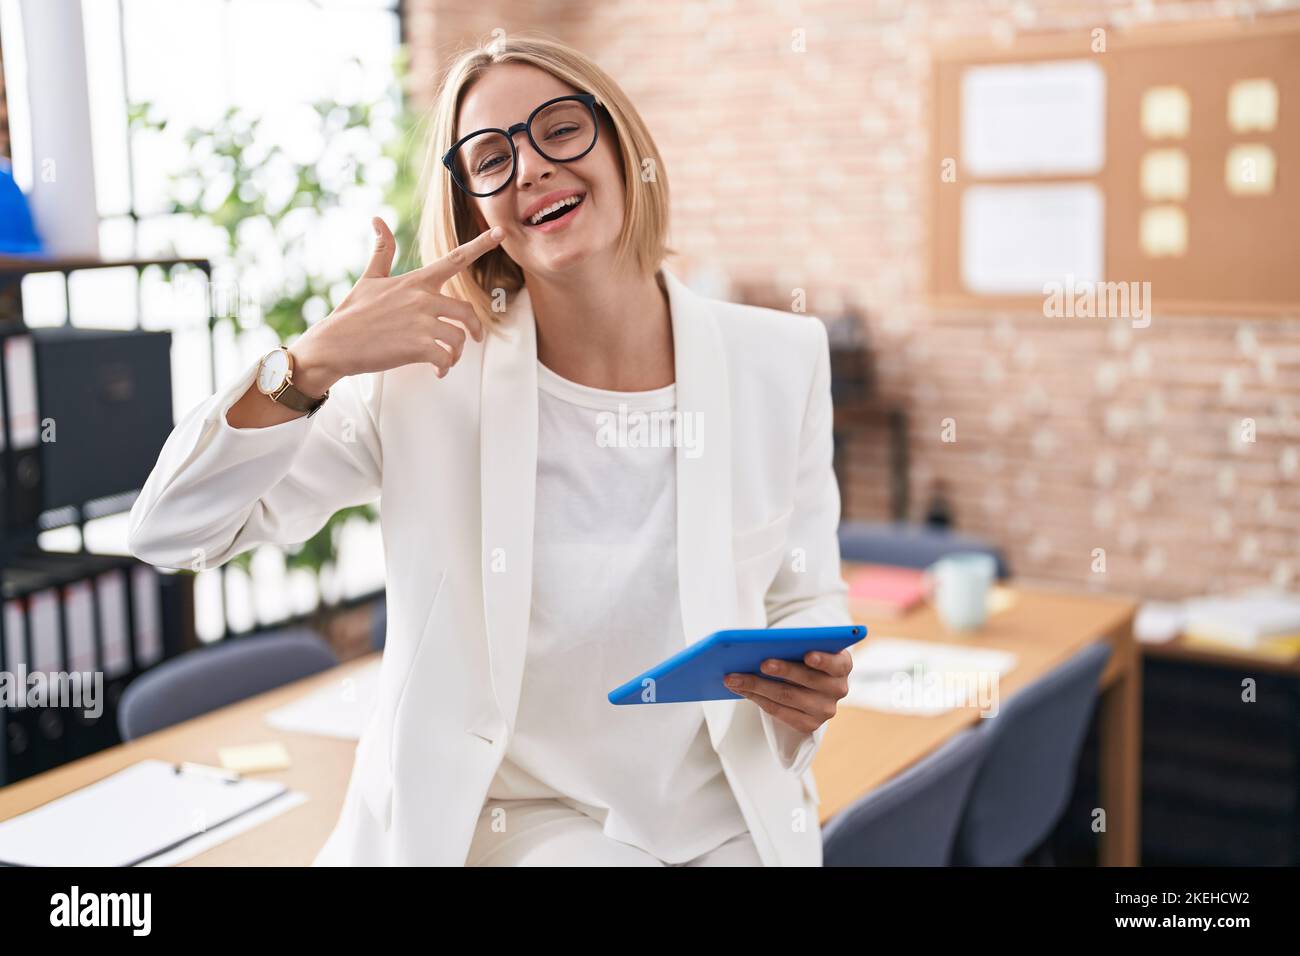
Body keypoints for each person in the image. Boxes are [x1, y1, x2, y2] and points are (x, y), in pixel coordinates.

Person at [128, 32, 852, 867]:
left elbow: (804, 590)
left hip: (719, 816)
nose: (531, 167)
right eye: (490, 156)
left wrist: (813, 676)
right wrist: (311, 361)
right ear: (474, 205)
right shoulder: (424, 376)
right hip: (505, 822)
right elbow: (172, 530)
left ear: (622, 144)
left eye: (559, 129)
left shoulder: (778, 359)